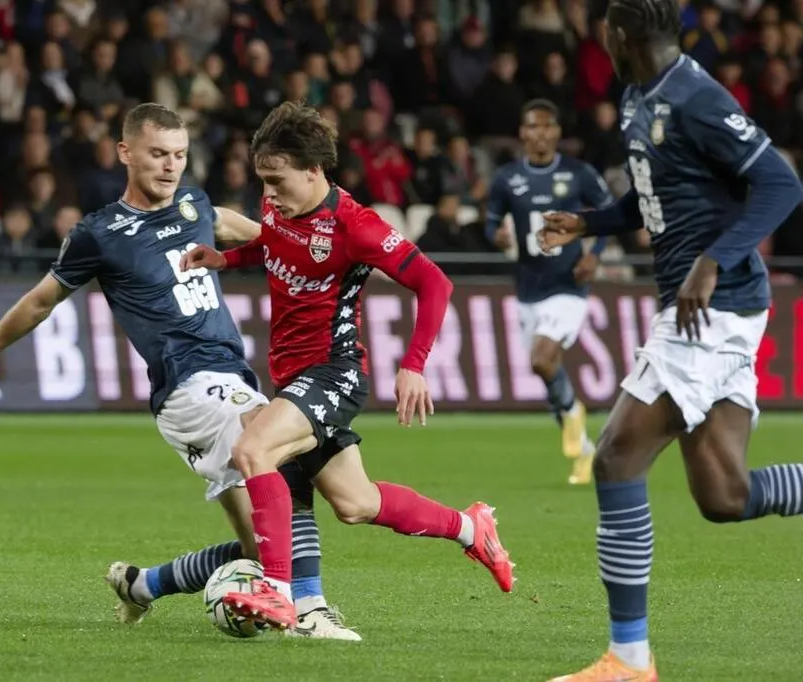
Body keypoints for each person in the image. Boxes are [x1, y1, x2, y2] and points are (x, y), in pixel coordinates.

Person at [0, 103, 359, 641]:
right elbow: (40, 302)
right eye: (158, 154)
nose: (171, 167)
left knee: (261, 543)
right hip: (189, 388)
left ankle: (142, 586)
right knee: (280, 447)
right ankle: (309, 612)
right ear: (126, 153)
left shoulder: (193, 202)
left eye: (180, 155)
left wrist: (304, 252)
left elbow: (243, 231)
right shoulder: (99, 234)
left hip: (230, 377)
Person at [540, 1, 803, 680]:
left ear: (620, 34)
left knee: (616, 456)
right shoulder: (637, 96)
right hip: (700, 306)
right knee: (724, 496)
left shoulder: (696, 96)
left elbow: (781, 182)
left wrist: (715, 259)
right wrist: (590, 222)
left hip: (712, 308)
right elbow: (653, 196)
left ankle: (629, 660)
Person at [181, 101, 515, 632]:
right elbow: (274, 249)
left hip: (334, 373)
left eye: (277, 180)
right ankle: (470, 529)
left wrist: (414, 364)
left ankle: (278, 593)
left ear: (313, 171)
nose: (267, 193)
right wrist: (227, 258)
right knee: (355, 503)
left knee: (253, 448)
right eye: (262, 180)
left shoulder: (356, 226)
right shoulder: (279, 210)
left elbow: (435, 283)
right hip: (292, 378)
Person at [485, 98, 615, 485]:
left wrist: (596, 255)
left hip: (568, 283)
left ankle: (574, 422)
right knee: (546, 369)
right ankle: (586, 452)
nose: (539, 133)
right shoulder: (507, 178)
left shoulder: (578, 174)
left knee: (542, 359)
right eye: (532, 127)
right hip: (528, 287)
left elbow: (611, 215)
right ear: (522, 133)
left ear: (557, 132)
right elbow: (491, 223)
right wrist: (499, 235)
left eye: (546, 126)